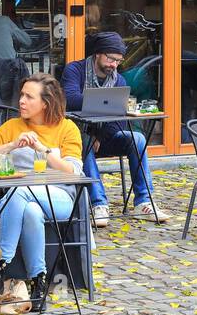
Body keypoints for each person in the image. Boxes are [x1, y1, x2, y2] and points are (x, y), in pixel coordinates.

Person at [0, 73, 83, 313]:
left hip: (58, 196)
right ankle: (39, 282)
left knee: (21, 191)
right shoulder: (13, 127)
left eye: (28, 97)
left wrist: (42, 150)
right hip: (17, 201)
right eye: (21, 95)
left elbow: (74, 172)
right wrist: (12, 145)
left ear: (46, 103)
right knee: (29, 209)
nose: (21, 100)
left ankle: (1, 263)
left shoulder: (67, 128)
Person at [62, 31, 169, 226]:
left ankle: (144, 202)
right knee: (83, 141)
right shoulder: (74, 70)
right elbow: (70, 100)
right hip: (74, 140)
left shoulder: (119, 80)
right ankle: (98, 204)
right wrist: (105, 103)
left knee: (137, 139)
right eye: (110, 59)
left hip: (103, 137)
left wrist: (99, 135)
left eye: (118, 61)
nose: (114, 65)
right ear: (97, 54)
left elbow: (119, 119)